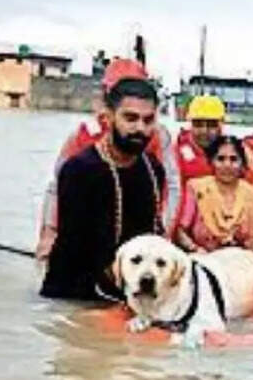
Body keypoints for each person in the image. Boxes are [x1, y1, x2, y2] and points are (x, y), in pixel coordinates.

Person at [35, 59, 176, 262]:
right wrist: (48, 234)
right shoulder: (83, 135)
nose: (139, 126)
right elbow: (56, 187)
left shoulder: (158, 135)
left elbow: (172, 186)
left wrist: (164, 235)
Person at [39, 77, 166, 301]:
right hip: (74, 293)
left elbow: (151, 236)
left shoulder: (153, 170)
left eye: (148, 120)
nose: (140, 128)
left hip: (129, 292)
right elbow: (73, 250)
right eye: (130, 118)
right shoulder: (79, 170)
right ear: (108, 117)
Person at [174, 135, 253, 253]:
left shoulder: (251, 193)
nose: (227, 165)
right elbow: (181, 232)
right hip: (203, 260)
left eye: (233, 159)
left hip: (242, 261)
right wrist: (196, 249)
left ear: (242, 164)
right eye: (221, 159)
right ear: (211, 161)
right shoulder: (196, 188)